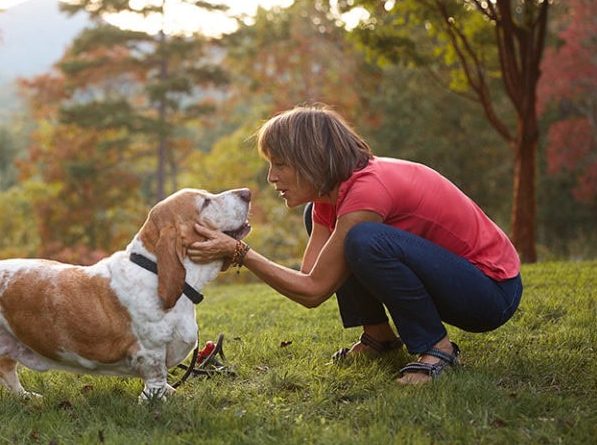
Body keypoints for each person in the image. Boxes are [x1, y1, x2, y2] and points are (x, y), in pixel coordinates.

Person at [187, 104, 522, 384]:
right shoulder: (329, 197)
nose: (271, 177)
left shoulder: (368, 191)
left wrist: (239, 253)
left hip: (490, 293)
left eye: (280, 164)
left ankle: (438, 350)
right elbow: (314, 275)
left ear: (311, 160)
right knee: (342, 232)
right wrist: (242, 254)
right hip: (459, 281)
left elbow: (314, 290)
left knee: (363, 240)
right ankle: (380, 338)